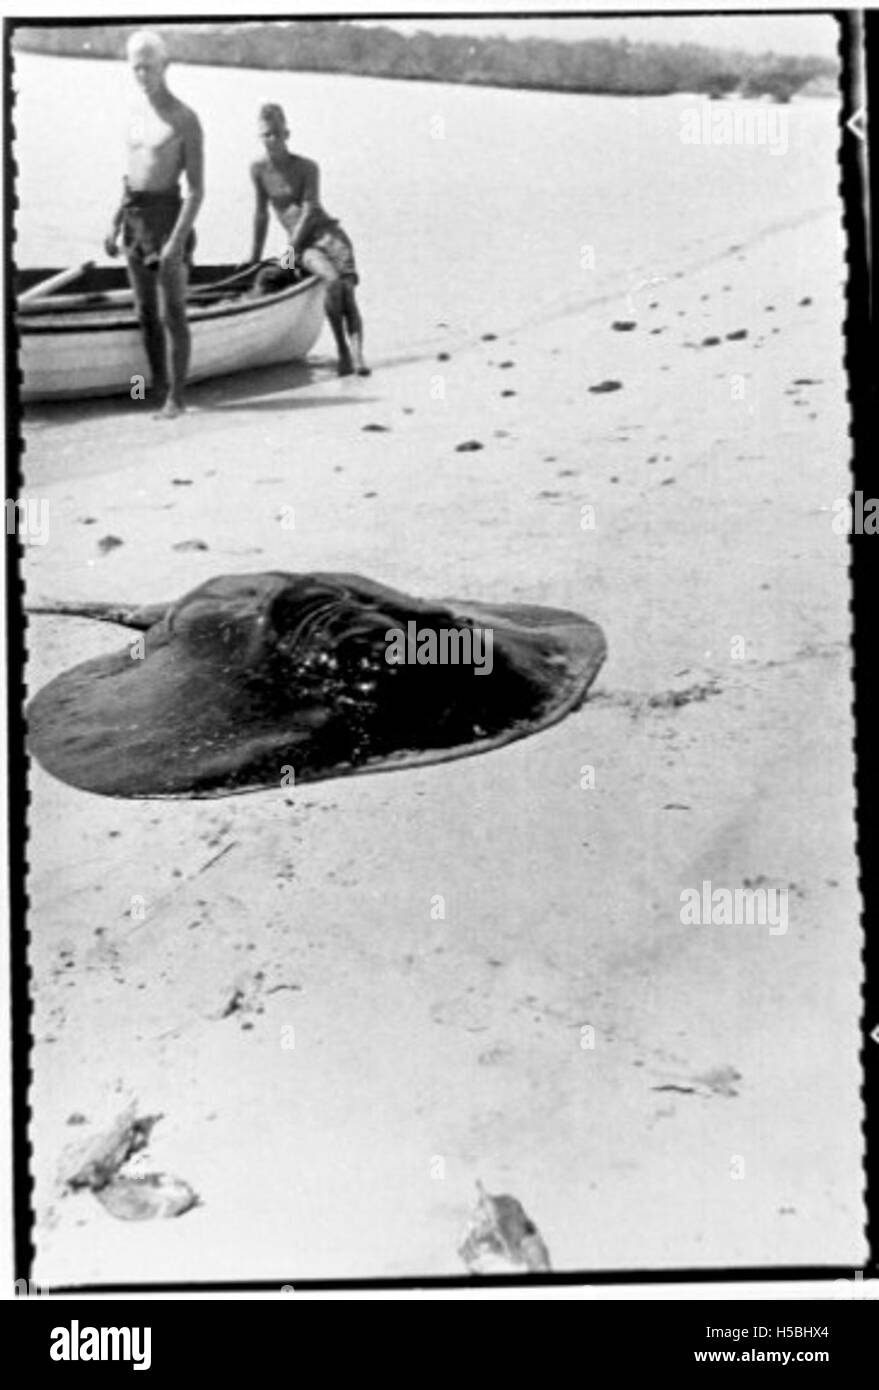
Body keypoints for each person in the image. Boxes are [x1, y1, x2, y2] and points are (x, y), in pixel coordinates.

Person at [104, 30, 204, 418]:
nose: (142, 74)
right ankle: (152, 387)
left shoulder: (185, 119)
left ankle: (177, 399)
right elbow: (132, 176)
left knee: (172, 314)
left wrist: (177, 242)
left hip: (168, 218)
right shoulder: (133, 112)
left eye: (149, 67)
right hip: (135, 219)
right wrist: (115, 222)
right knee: (145, 312)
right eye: (136, 67)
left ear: (166, 66)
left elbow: (196, 190)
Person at [248, 103, 368, 378]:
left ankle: (358, 355)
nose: (273, 140)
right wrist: (254, 255)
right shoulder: (258, 169)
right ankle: (342, 352)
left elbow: (310, 209)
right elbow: (260, 214)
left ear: (287, 134)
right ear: (260, 137)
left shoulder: (307, 167)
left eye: (278, 133)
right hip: (303, 245)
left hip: (328, 234)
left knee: (347, 291)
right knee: (332, 281)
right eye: (267, 135)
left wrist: (287, 254)